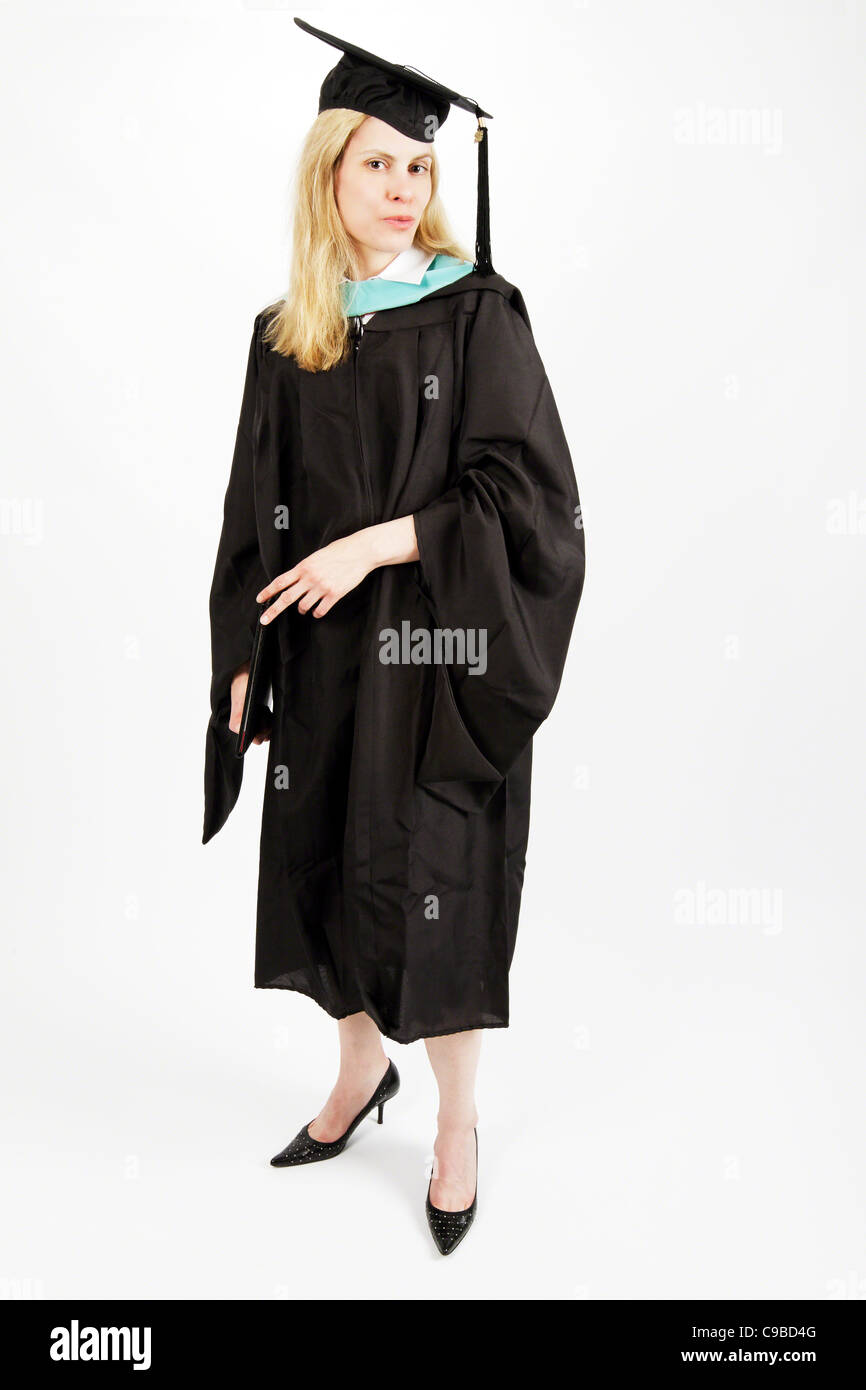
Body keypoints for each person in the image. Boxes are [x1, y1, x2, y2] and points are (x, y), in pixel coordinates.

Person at [203, 17, 586, 1256]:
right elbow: (249, 512)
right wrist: (242, 657)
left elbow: (524, 500)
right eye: (377, 164)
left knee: (439, 881)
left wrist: (373, 545)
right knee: (329, 866)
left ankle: (457, 1124)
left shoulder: (475, 314)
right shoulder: (286, 333)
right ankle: (359, 1072)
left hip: (439, 660)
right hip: (324, 669)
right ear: (328, 172)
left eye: (416, 168)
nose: (402, 188)